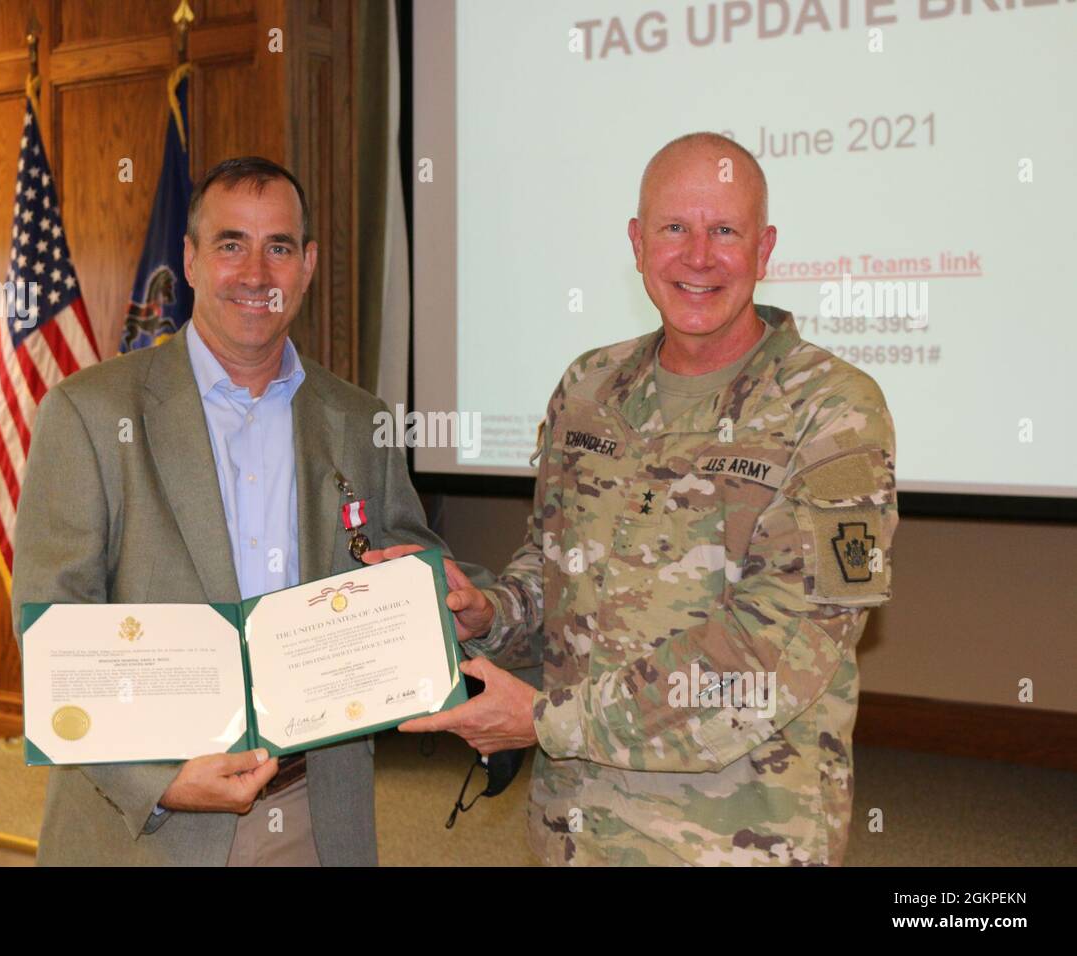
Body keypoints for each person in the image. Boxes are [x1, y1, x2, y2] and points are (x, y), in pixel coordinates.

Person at [371, 132, 898, 866]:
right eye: (674, 228)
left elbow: (781, 649)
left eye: (725, 231)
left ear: (766, 248)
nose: (698, 256)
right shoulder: (588, 387)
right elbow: (554, 570)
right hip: (576, 832)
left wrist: (549, 721)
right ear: (638, 242)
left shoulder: (839, 413)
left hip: (736, 839)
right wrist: (494, 613)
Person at [12, 156, 486, 866]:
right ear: (192, 260)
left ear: (309, 264)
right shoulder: (90, 412)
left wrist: (455, 604)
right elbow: (53, 624)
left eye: (280, 247)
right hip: (147, 827)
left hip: (314, 811)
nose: (256, 273)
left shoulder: (358, 419)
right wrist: (160, 782)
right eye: (231, 243)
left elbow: (407, 566)